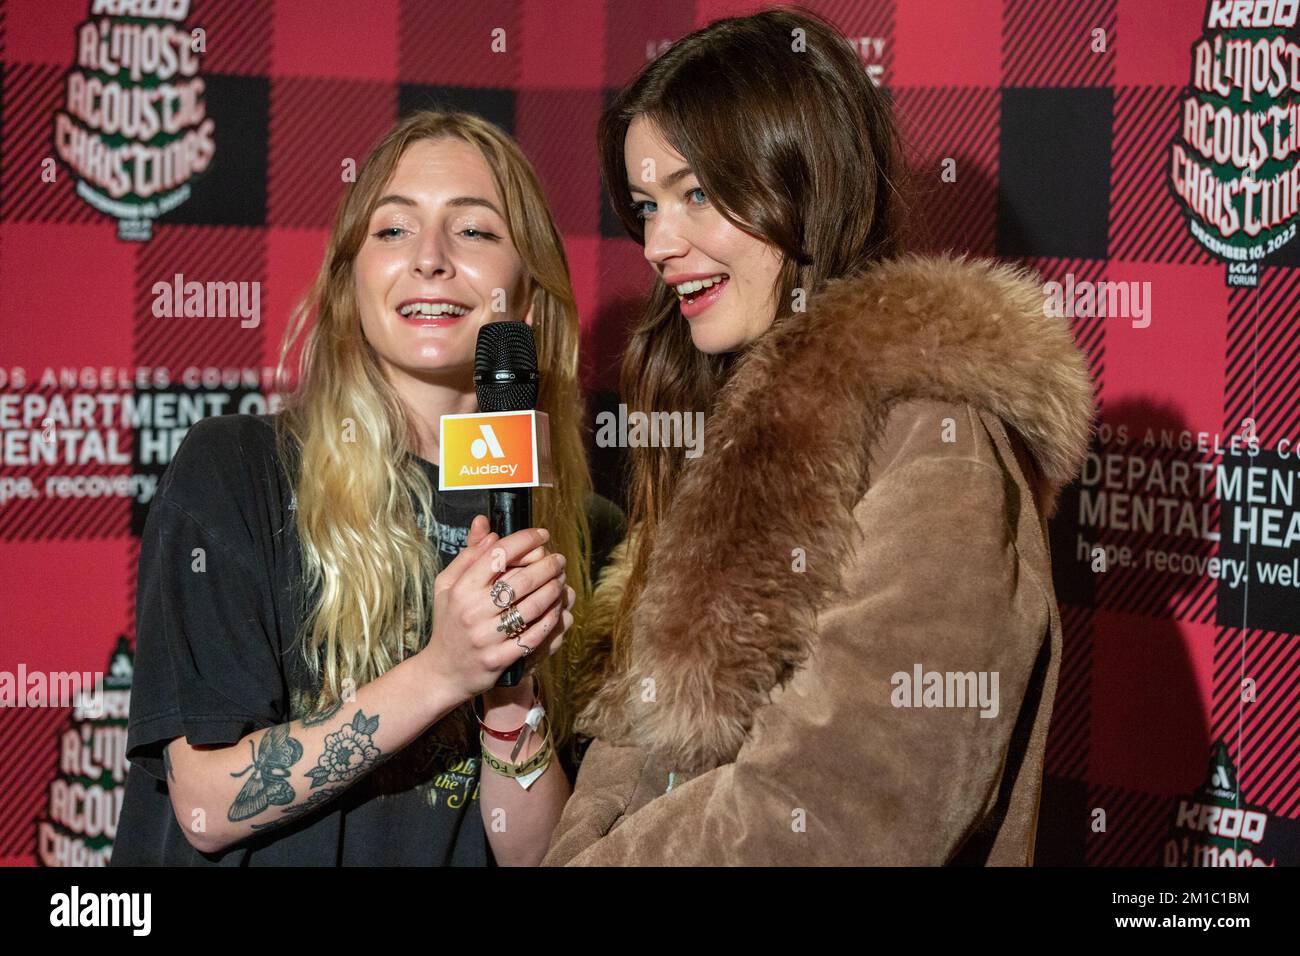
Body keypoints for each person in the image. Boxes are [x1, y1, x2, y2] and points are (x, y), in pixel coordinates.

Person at [543, 7, 1096, 866]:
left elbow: (849, 813)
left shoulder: (936, 437)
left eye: (696, 194)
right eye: (646, 206)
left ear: (805, 179)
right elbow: (646, 750)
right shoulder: (734, 429)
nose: (657, 242)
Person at [112, 110, 625, 866]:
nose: (430, 259)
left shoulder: (587, 536)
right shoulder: (236, 471)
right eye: (392, 230)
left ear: (526, 283)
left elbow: (537, 856)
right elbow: (204, 805)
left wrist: (510, 699)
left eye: (475, 231)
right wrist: (444, 670)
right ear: (350, 276)